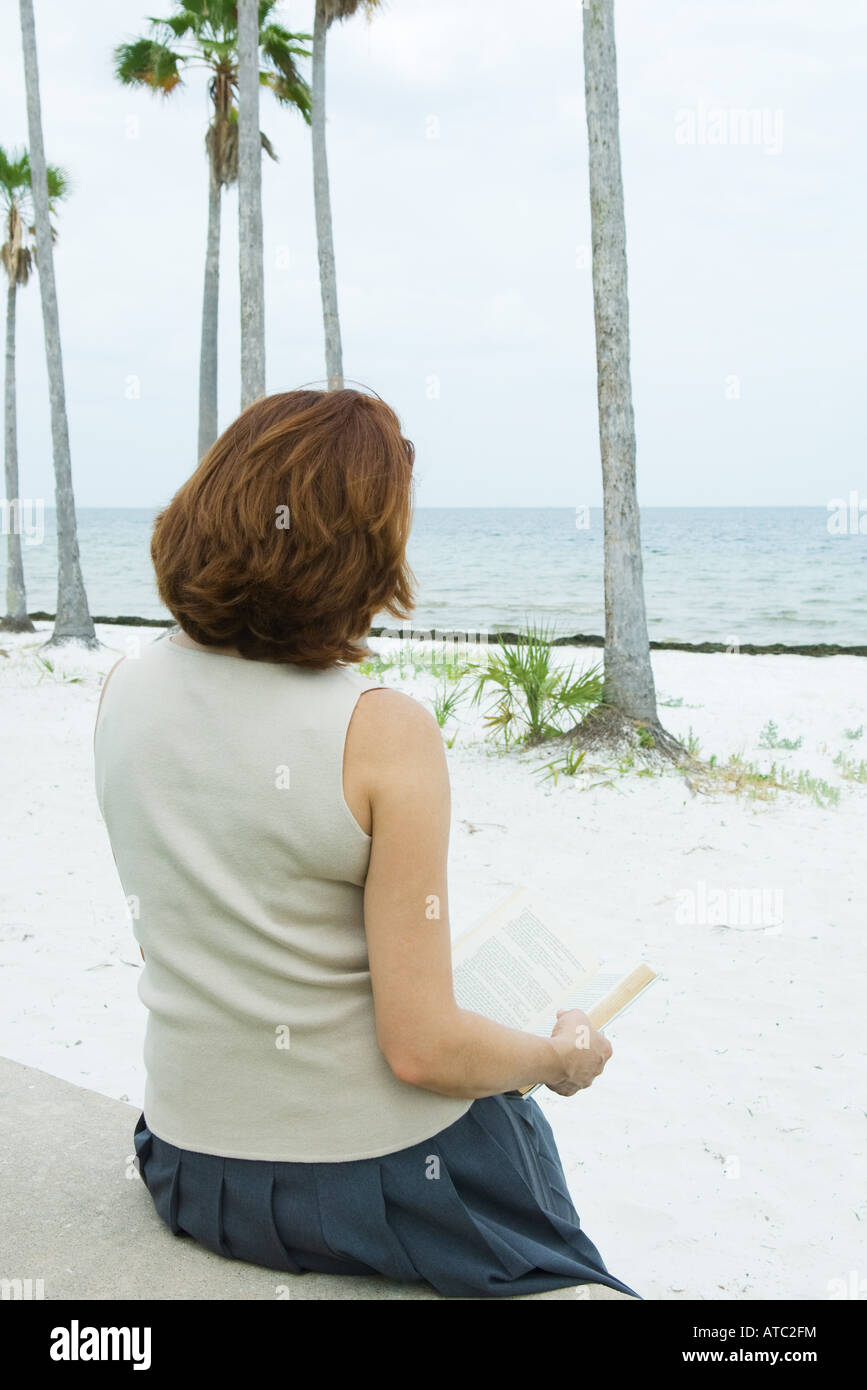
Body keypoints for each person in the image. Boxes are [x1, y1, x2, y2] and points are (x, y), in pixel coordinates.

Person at [93, 388, 639, 1301]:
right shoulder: (380, 731)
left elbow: (173, 938)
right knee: (514, 1132)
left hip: (190, 1170)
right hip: (364, 1183)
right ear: (360, 555)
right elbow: (421, 1050)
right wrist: (559, 1059)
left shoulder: (122, 689)